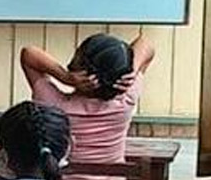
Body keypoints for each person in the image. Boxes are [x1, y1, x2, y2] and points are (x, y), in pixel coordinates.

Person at [19, 33, 155, 167]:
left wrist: (65, 77)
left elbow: (28, 54)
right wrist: (130, 71)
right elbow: (146, 44)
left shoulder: (54, 105)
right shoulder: (125, 102)